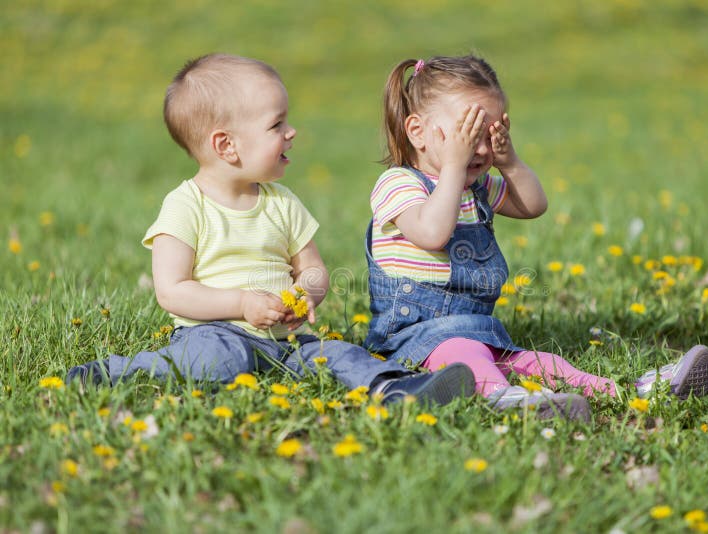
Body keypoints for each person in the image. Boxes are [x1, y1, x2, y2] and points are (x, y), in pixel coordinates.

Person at [66, 53, 475, 405]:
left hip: (285, 340)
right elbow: (172, 290)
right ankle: (112, 373)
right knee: (220, 361)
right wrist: (242, 304)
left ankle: (397, 389)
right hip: (215, 332)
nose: (290, 132)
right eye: (276, 125)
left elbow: (313, 269)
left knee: (337, 354)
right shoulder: (185, 206)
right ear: (227, 145)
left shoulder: (281, 202)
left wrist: (304, 292)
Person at [363, 55, 708, 420]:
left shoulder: (474, 187)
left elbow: (532, 205)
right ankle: (508, 402)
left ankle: (638, 390)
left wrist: (510, 162)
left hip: (478, 329)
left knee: (542, 361)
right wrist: (454, 164)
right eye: (466, 135)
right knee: (467, 357)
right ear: (417, 131)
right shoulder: (398, 184)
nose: (479, 149)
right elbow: (433, 233)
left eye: (488, 136)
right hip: (412, 339)